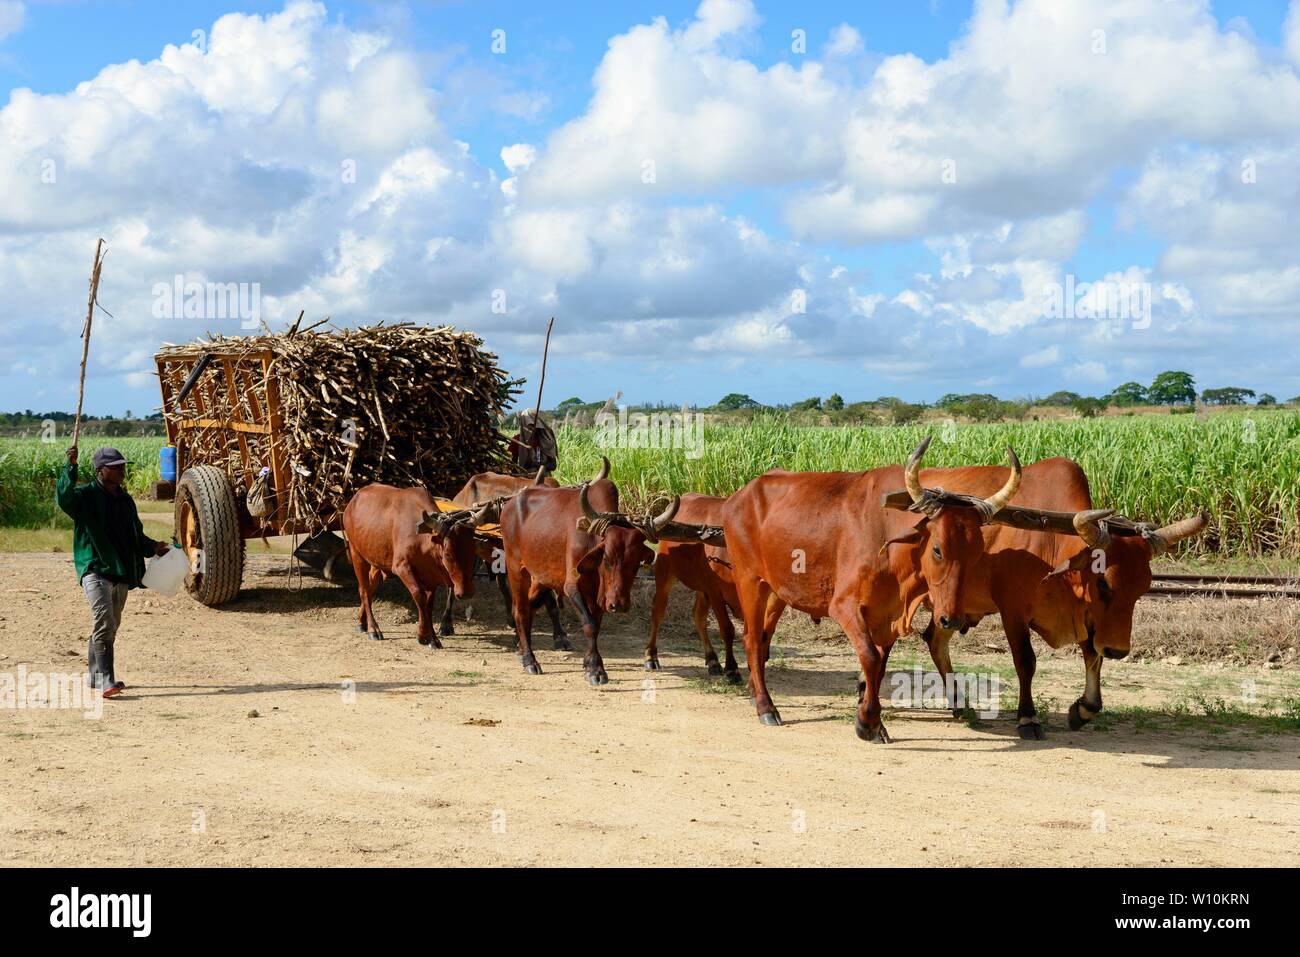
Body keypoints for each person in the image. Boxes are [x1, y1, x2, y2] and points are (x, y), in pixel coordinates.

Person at [57, 446, 170, 698]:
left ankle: (96, 675)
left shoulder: (126, 500)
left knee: (110, 624)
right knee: (104, 620)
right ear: (100, 470)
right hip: (94, 568)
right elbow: (64, 497)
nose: (122, 470)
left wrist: (155, 547)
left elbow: (136, 536)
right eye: (116, 467)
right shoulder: (84, 497)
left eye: (123, 466)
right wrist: (70, 467)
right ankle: (107, 679)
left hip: (120, 572)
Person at [508, 408, 558, 473]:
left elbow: (553, 465)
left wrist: (535, 464)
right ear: (523, 424)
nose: (532, 428)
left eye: (534, 425)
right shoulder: (517, 440)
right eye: (529, 425)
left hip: (543, 478)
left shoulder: (546, 440)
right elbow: (513, 465)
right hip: (525, 478)